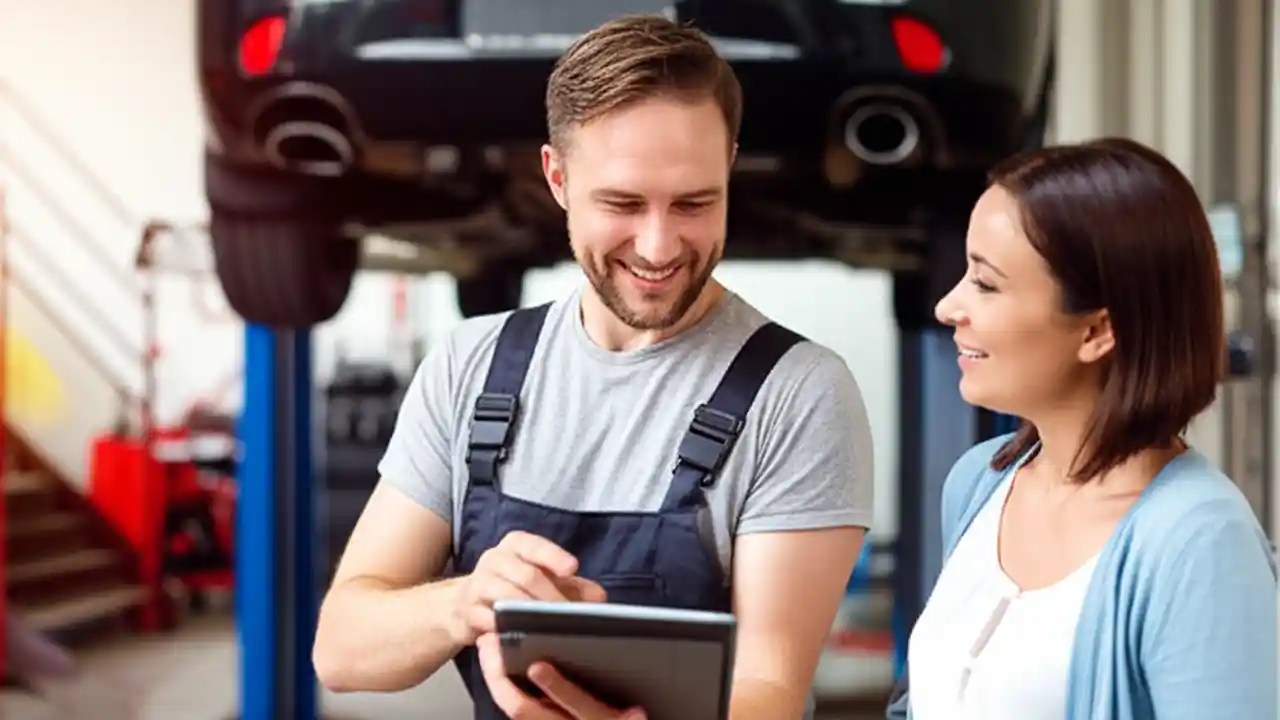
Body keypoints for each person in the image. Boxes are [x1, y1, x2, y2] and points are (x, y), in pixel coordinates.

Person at [312, 13, 876, 720]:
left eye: (695, 203)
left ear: (729, 165)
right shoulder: (472, 368)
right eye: (623, 203)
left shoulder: (796, 394)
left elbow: (770, 689)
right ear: (557, 177)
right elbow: (342, 649)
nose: (658, 244)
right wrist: (465, 602)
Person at [887, 138, 1278, 720]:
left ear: (1097, 331)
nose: (948, 306)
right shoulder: (981, 481)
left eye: (986, 284)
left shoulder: (1200, 540)